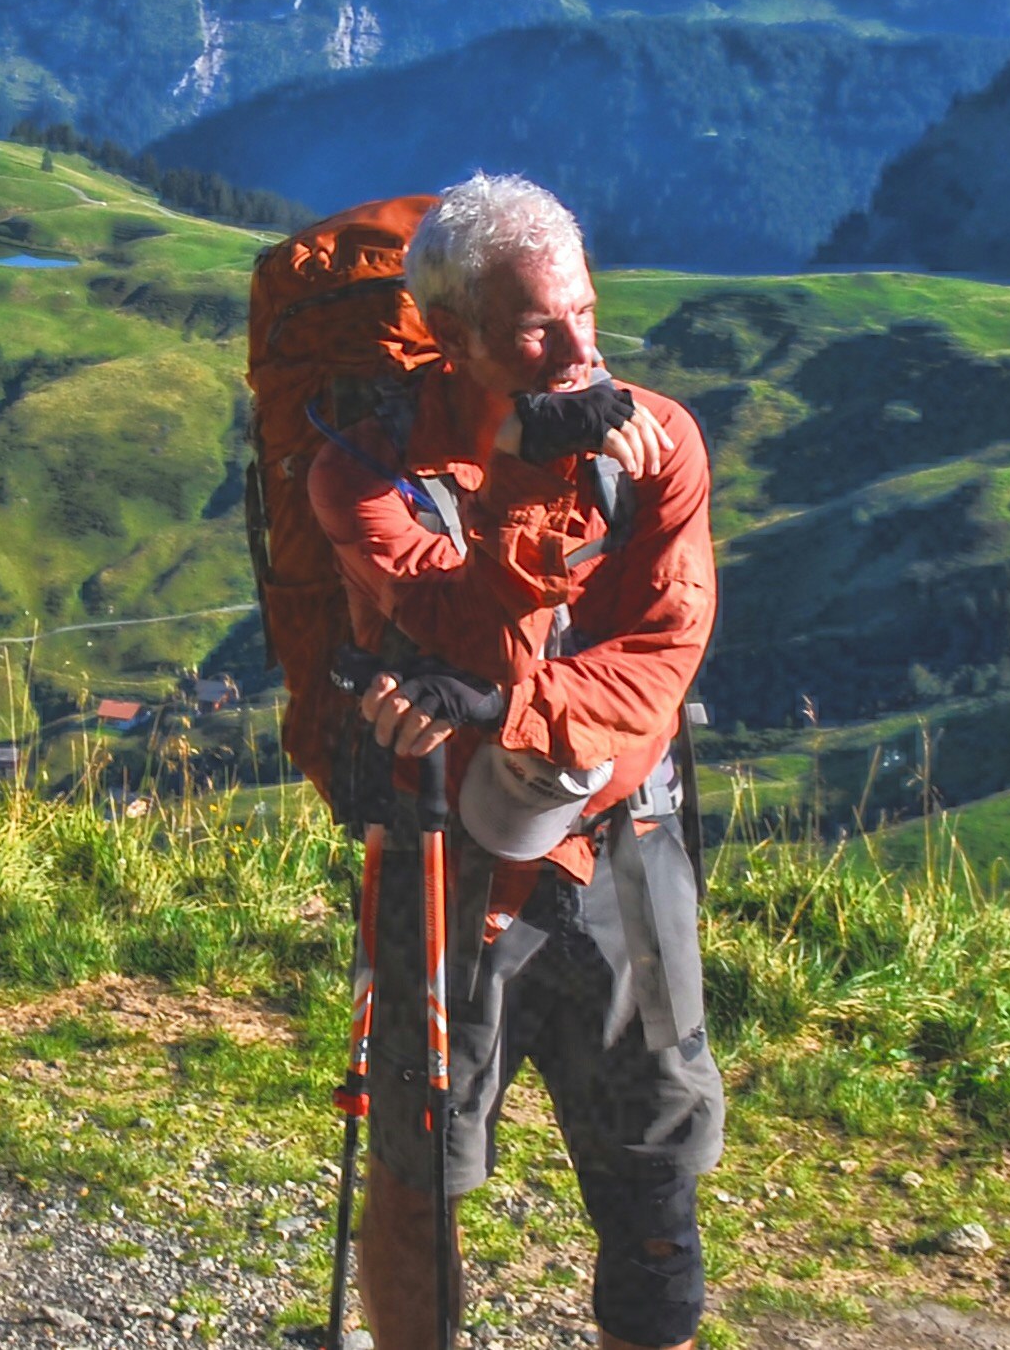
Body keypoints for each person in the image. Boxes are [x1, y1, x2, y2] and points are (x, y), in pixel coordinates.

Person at [311, 173, 720, 1350]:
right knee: (415, 1162)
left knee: (655, 1168)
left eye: (582, 312)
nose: (576, 348)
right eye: (537, 325)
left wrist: (503, 710)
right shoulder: (364, 467)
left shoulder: (657, 439)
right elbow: (468, 627)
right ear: (450, 332)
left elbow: (662, 654)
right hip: (437, 855)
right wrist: (528, 472)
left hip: (620, 841)